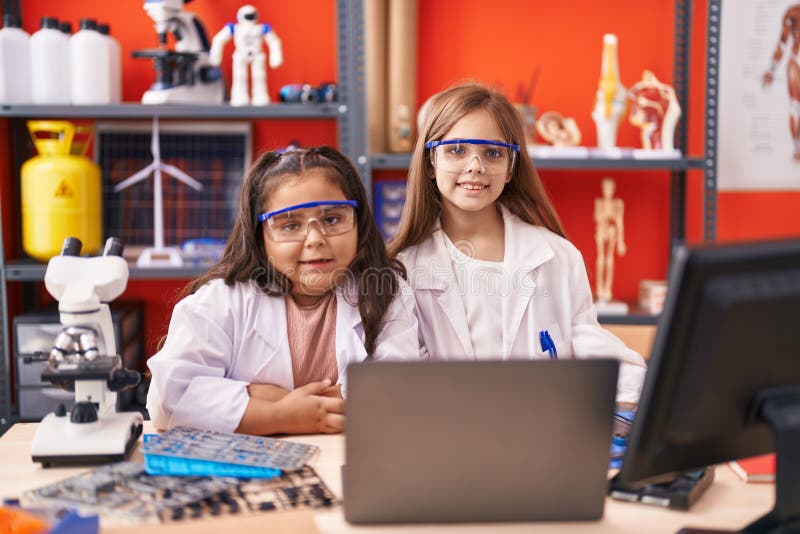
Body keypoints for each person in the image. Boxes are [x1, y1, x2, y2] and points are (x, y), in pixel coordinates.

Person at [388, 82, 646, 404]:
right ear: (430, 162)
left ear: (511, 168)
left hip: (541, 428)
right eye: (457, 150)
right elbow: (398, 380)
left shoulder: (557, 256)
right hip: (449, 431)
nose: (475, 166)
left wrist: (639, 387)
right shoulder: (402, 270)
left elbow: (592, 346)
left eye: (492, 153)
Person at [147, 147, 420, 435]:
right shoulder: (222, 300)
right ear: (259, 236)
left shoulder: (384, 290)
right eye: (290, 225)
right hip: (254, 458)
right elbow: (168, 398)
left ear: (359, 222)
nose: (315, 239)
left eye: (332, 219)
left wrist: (259, 396)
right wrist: (281, 415)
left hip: (350, 455)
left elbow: (398, 389)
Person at [763, 3, 800, 160]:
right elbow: (783, 43)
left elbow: (782, 43)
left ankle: (797, 149)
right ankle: (797, 148)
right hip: (796, 61)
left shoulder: (792, 12)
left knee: (795, 107)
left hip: (795, 61)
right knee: (795, 107)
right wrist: (771, 69)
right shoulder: (792, 12)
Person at [594, 177, 626, 303]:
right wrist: (607, 217)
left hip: (611, 231)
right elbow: (597, 218)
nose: (607, 190)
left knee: (609, 258)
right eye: (605, 188)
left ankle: (607, 288)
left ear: (613, 189)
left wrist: (621, 241)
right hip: (602, 230)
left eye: (610, 188)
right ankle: (599, 287)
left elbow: (620, 222)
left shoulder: (618, 203)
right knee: (601, 257)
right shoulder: (599, 202)